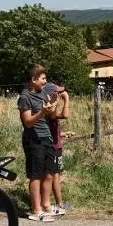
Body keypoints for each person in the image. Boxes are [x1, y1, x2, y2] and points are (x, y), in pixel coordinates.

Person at [18, 65, 57, 222]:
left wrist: (53, 104)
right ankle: (36, 209)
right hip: (33, 139)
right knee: (36, 175)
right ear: (33, 80)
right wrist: (42, 112)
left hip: (46, 138)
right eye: (43, 78)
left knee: (49, 173)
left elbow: (52, 116)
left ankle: (46, 205)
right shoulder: (25, 97)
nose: (45, 82)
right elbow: (27, 122)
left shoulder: (43, 94)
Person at [43, 82, 71, 215]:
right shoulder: (49, 109)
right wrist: (66, 99)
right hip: (52, 146)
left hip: (56, 143)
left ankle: (58, 202)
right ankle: (58, 203)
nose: (60, 94)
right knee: (54, 176)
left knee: (55, 175)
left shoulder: (50, 109)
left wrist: (62, 134)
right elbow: (64, 115)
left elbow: (54, 123)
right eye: (57, 93)